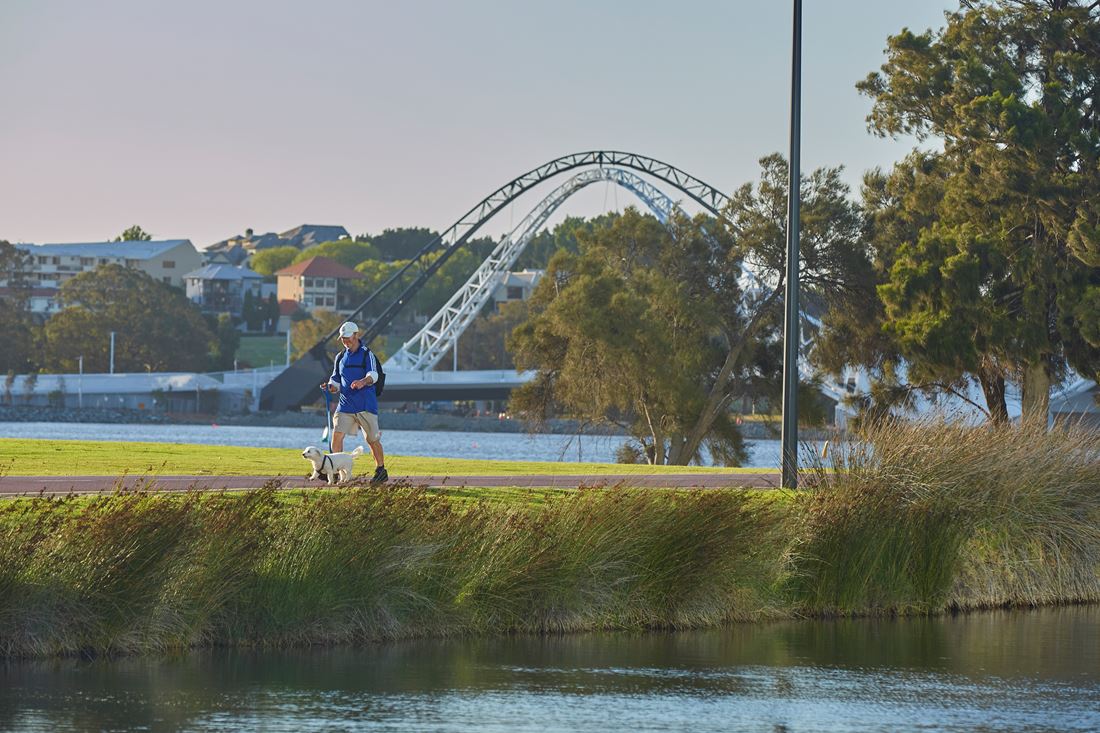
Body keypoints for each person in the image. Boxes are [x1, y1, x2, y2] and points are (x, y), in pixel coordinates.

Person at [320, 321, 387, 483]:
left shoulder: (366, 354)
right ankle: (335, 471)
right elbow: (336, 380)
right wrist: (331, 387)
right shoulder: (340, 357)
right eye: (343, 339)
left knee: (372, 440)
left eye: (348, 338)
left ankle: (381, 470)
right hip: (345, 404)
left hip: (365, 404)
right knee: (337, 435)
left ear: (356, 335)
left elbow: (374, 375)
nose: (345, 341)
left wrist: (363, 381)